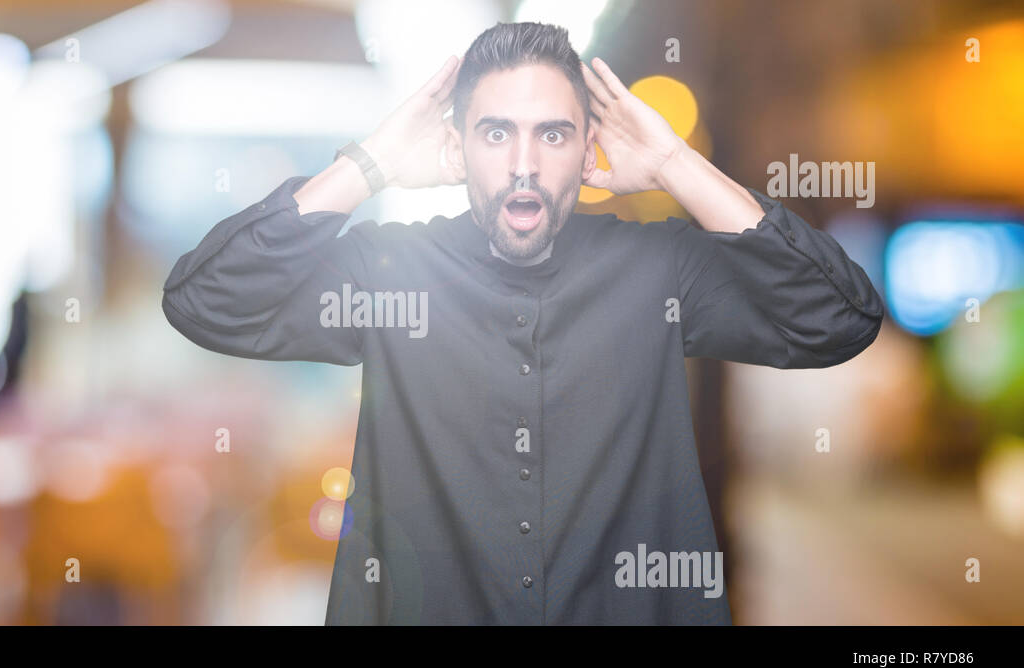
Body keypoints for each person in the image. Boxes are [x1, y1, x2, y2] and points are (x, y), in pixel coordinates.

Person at [162, 22, 884, 624]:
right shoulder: (389, 273)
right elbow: (205, 299)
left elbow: (839, 317)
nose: (524, 165)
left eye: (553, 134)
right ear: (459, 147)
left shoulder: (659, 271)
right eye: (496, 133)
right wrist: (372, 163)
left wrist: (675, 164)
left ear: (588, 149)